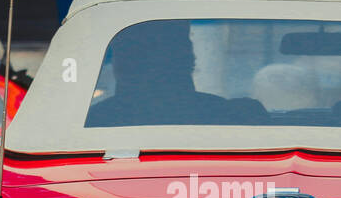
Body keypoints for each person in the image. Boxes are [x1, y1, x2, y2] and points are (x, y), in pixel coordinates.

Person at [86, 20, 266, 126]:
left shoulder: (95, 121)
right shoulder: (239, 116)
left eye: (119, 54)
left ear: (122, 66)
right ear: (188, 58)